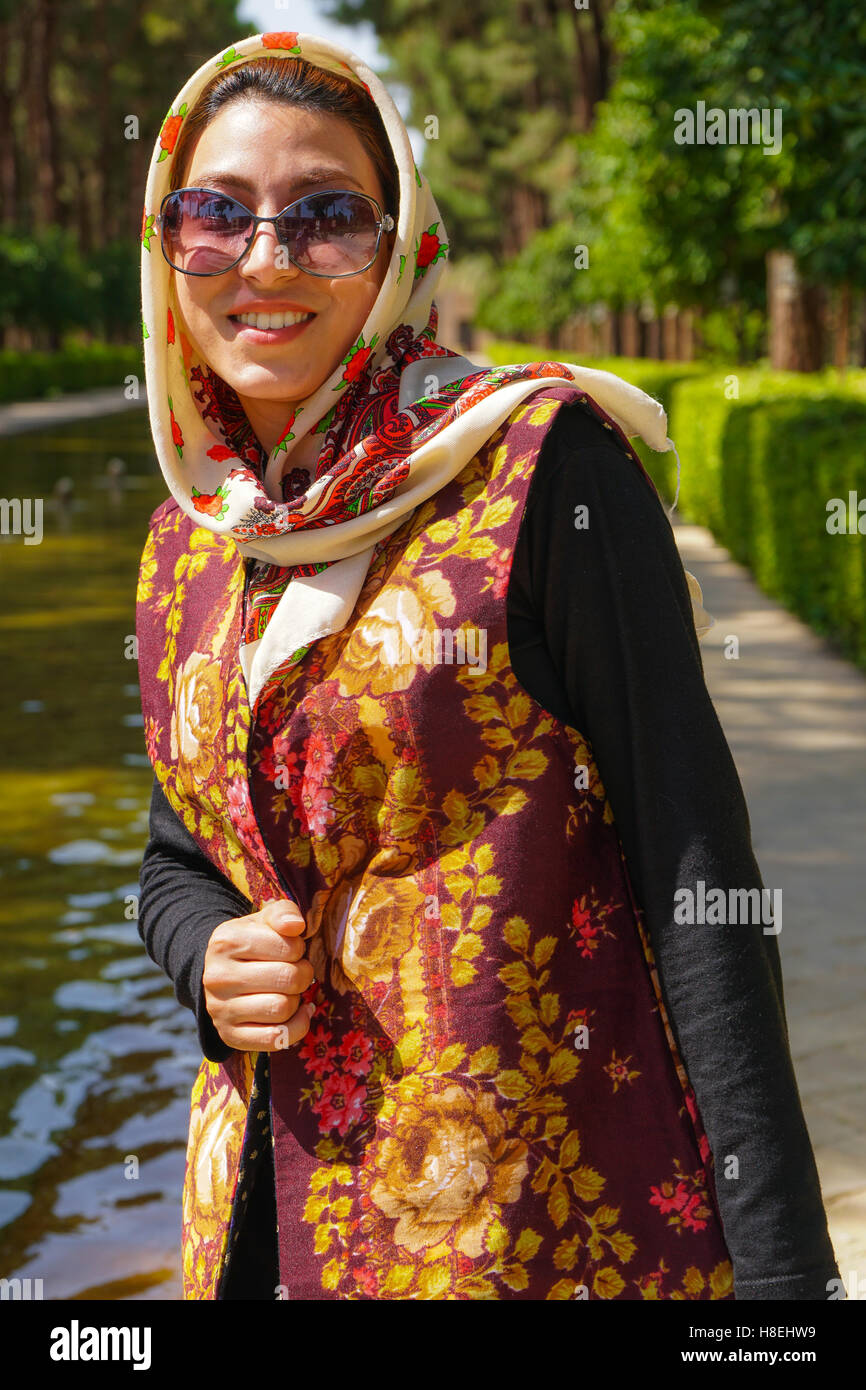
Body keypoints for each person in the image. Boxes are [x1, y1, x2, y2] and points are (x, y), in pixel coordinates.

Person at [135, 31, 840, 1302]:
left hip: (533, 1223)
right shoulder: (195, 531)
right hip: (258, 1212)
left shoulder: (538, 465)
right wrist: (208, 959)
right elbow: (180, 858)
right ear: (165, 243)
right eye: (215, 214)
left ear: (400, 244)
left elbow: (695, 869)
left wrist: (786, 1283)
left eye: (328, 217)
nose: (268, 258)